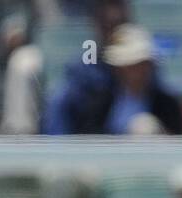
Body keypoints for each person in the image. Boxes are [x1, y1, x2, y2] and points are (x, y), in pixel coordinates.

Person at [42, 0, 129, 135]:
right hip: (93, 138)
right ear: (97, 25)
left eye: (118, 25)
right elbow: (66, 102)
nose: (112, 32)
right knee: (59, 97)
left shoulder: (142, 64)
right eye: (107, 26)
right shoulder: (88, 62)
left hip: (132, 141)